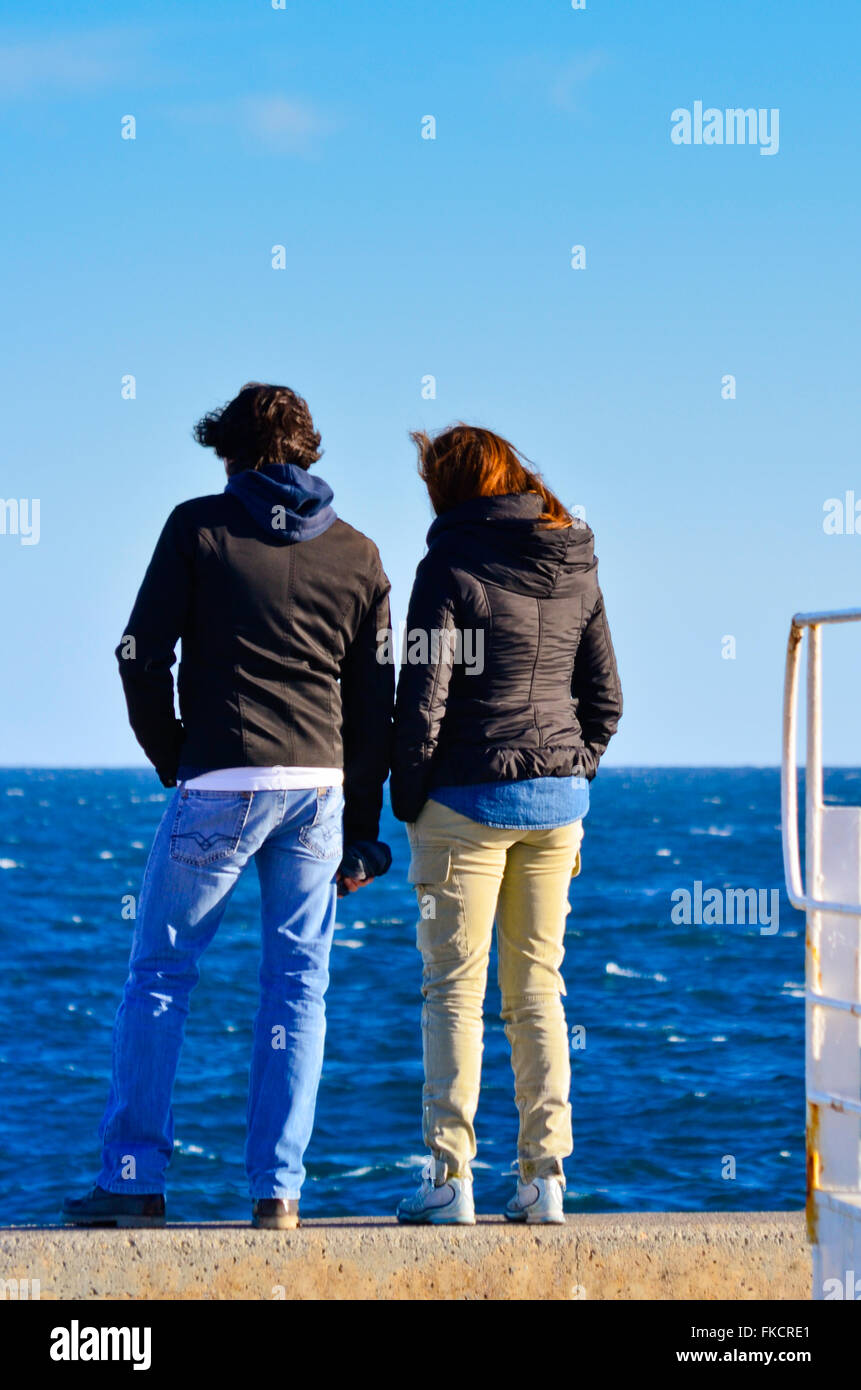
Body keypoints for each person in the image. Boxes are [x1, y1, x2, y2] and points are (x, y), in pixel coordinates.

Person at [63, 383, 393, 1230]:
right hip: (318, 789)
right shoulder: (358, 553)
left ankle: (134, 1180)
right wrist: (363, 830)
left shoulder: (198, 526)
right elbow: (372, 704)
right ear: (308, 451)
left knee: (161, 976)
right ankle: (277, 1194)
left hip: (220, 778)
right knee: (298, 989)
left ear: (232, 451)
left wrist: (174, 753)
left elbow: (139, 653)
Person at [391, 424, 622, 1225]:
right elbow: (606, 701)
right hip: (558, 807)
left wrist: (408, 796)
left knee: (451, 994)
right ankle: (544, 1183)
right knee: (538, 996)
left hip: (464, 803)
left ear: (449, 486)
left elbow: (421, 697)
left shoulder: (446, 564)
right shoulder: (576, 561)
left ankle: (449, 1182)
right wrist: (571, 767)